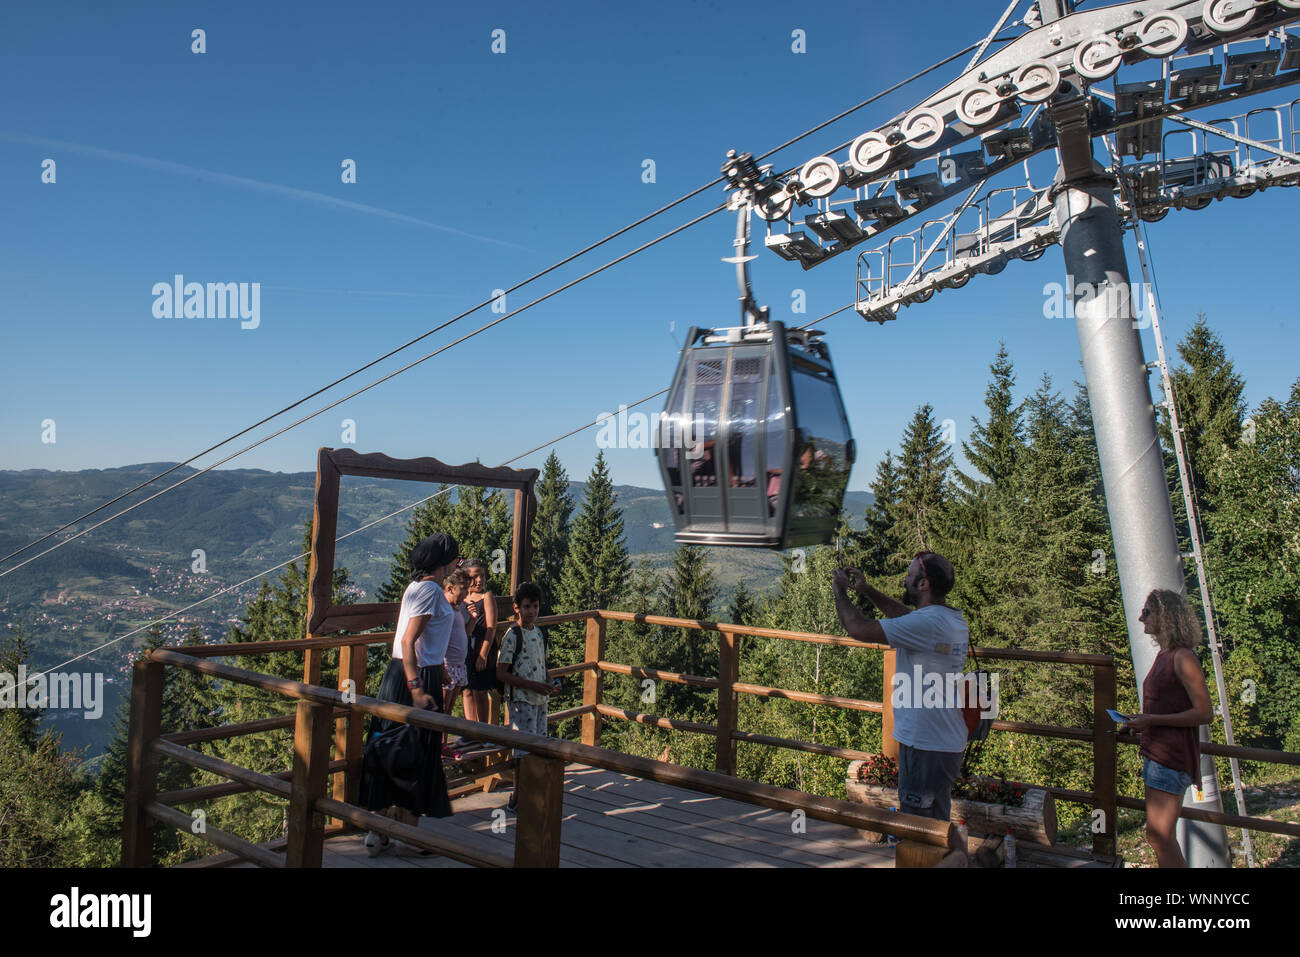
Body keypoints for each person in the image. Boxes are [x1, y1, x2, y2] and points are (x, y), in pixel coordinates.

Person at [832, 552, 970, 827]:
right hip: (944, 744)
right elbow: (907, 619)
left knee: (916, 832)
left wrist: (840, 591)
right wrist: (868, 591)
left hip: (924, 745)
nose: (904, 580)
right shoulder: (950, 619)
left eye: (909, 576)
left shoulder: (928, 623)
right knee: (936, 826)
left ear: (923, 584)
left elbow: (858, 628)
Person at [358, 533, 458, 856]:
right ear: (444, 563)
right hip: (415, 677)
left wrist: (437, 663)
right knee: (418, 751)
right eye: (454, 558)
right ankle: (407, 835)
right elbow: (408, 641)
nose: (456, 562)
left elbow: (416, 641)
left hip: (399, 673)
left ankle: (378, 831)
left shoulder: (415, 588)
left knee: (389, 745)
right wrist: (417, 688)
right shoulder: (430, 591)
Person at [1121, 589, 1213, 868]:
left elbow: (1204, 712)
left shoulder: (1182, 657)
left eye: (1147, 612)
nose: (1140, 618)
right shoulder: (1165, 654)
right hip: (1157, 753)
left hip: (1171, 758)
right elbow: (1164, 707)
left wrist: (1152, 721)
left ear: (1166, 616)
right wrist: (1141, 722)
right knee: (1157, 835)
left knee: (1160, 836)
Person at [495, 581, 560, 813]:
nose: (531, 611)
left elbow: (543, 663)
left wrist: (549, 682)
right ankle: (518, 794)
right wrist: (531, 685)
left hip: (540, 699)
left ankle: (533, 791)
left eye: (534, 606)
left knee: (539, 747)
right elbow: (501, 673)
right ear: (516, 608)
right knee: (523, 751)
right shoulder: (513, 636)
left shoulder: (540, 633)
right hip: (521, 701)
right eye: (526, 607)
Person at [461, 558, 499, 733]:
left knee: (480, 691)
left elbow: (491, 627)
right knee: (466, 690)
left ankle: (484, 731)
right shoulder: (461, 597)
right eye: (475, 576)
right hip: (465, 648)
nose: (480, 580)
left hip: (482, 647)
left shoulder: (486, 597)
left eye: (482, 576)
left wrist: (483, 655)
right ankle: (470, 729)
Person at [441, 568, 473, 750]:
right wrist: (442, 668)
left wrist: (473, 619)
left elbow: (465, 634)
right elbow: (441, 639)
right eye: (463, 589)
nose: (466, 594)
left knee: (449, 709)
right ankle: (439, 747)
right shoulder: (445, 610)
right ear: (450, 588)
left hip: (459, 665)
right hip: (448, 665)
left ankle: (443, 745)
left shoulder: (456, 609)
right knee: (442, 709)